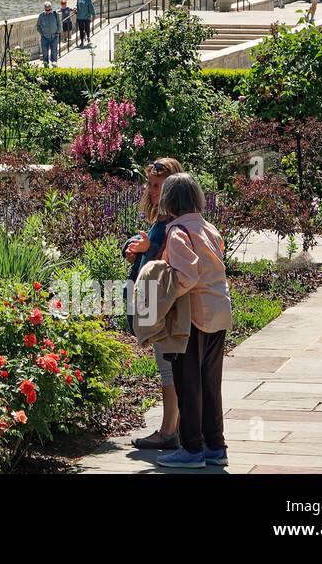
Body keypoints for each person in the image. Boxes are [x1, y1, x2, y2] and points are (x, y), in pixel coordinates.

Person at [153, 173, 231, 469]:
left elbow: (188, 275)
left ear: (169, 200)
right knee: (211, 383)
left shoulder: (177, 232)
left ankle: (191, 449)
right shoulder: (208, 228)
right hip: (219, 311)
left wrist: (166, 291)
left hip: (194, 317)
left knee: (188, 383)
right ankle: (215, 445)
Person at [124, 157, 185, 451]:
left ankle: (168, 431)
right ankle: (174, 428)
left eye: (158, 185)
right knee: (169, 367)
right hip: (156, 300)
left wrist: (150, 250)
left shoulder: (175, 222)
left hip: (164, 304)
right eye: (150, 185)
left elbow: (171, 262)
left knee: (168, 368)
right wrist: (138, 250)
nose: (152, 191)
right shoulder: (161, 221)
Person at [37, 2, 61, 67]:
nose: (48, 11)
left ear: (51, 8)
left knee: (54, 52)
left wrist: (57, 33)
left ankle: (54, 64)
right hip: (44, 37)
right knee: (45, 52)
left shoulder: (55, 14)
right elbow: (38, 26)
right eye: (46, 10)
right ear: (44, 9)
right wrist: (42, 34)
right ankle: (46, 65)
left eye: (49, 9)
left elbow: (59, 24)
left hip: (54, 36)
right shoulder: (41, 15)